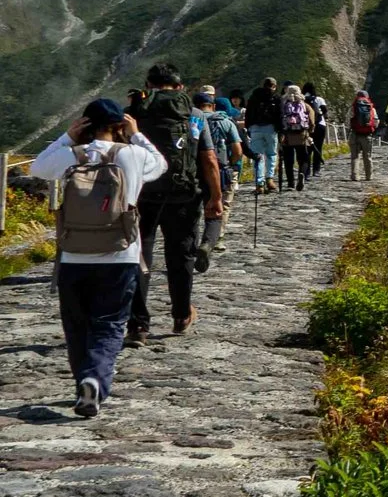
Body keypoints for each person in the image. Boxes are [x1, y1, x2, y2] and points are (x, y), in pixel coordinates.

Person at [28, 97, 165, 416]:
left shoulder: (70, 155)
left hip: (74, 254)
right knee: (110, 324)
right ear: (119, 126)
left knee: (77, 326)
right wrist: (136, 135)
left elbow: (37, 167)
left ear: (85, 126)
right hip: (120, 254)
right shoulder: (132, 155)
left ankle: (83, 384)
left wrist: (67, 137)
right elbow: (161, 165)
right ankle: (94, 379)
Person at [127, 64, 220, 346]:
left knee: (139, 257)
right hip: (184, 195)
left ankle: (138, 326)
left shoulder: (135, 114)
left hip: (141, 196)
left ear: (148, 84)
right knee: (181, 257)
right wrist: (215, 197)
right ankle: (181, 315)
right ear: (180, 87)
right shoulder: (194, 115)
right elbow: (209, 160)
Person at [192, 86, 241, 270]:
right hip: (219, 171)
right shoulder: (225, 121)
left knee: (193, 212)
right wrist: (230, 163)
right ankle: (208, 243)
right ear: (212, 106)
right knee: (216, 210)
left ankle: (191, 248)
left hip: (193, 172)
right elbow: (237, 150)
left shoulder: (190, 120)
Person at [243, 77, 282, 194]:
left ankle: (259, 183)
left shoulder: (254, 97)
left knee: (257, 156)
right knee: (271, 154)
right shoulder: (276, 98)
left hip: (255, 128)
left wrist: (249, 127)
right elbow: (280, 115)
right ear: (274, 86)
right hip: (271, 128)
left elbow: (248, 113)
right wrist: (280, 130)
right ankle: (269, 179)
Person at [278, 82, 315, 191]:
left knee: (288, 160)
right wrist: (310, 132)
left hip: (287, 137)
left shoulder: (283, 105)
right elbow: (312, 121)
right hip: (302, 135)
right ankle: (302, 173)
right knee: (303, 158)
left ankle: (290, 183)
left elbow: (279, 120)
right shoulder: (305, 105)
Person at [347, 89, 380, 180]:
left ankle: (355, 175)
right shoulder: (371, 108)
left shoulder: (354, 107)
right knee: (367, 156)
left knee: (355, 156)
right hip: (367, 135)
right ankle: (369, 176)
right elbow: (376, 122)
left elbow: (348, 119)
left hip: (355, 134)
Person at [305, 83, 329, 178]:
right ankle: (316, 170)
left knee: (307, 149)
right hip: (320, 125)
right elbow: (325, 112)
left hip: (307, 127)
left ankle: (306, 171)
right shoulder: (319, 99)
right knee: (318, 148)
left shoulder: (302, 99)